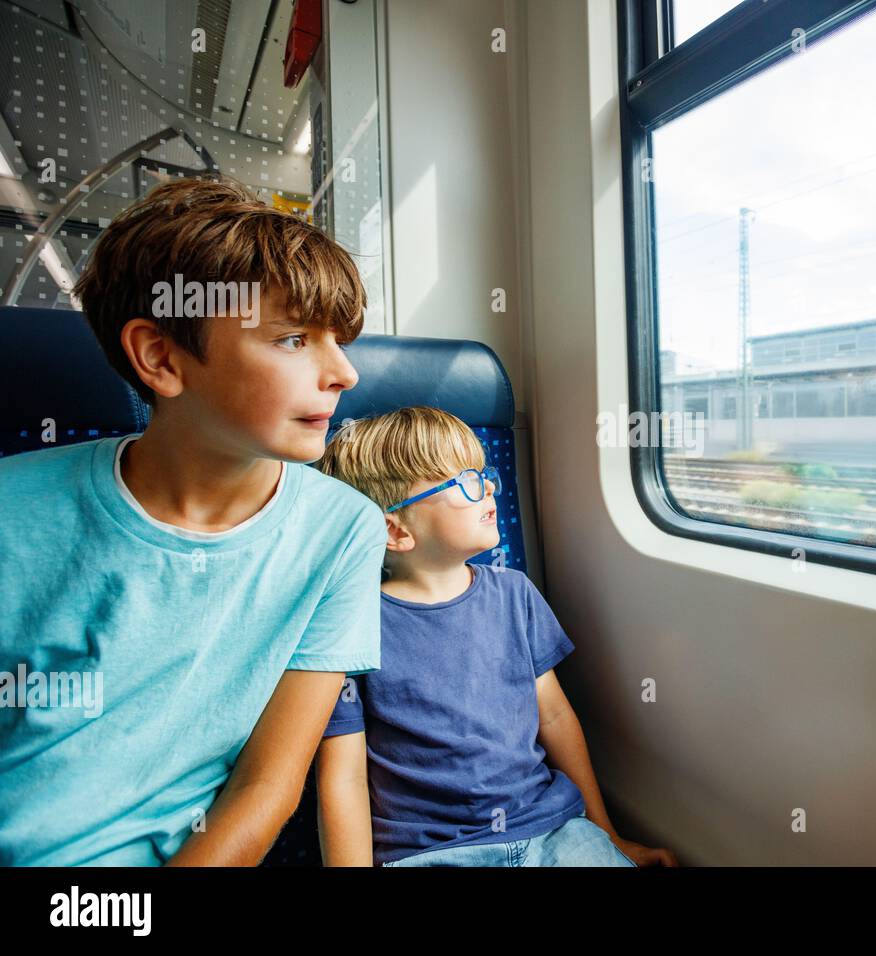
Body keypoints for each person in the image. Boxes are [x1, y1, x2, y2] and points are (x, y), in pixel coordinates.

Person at [0, 177, 387, 865]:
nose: (344, 374)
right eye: (294, 339)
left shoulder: (344, 531)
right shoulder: (14, 507)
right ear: (161, 357)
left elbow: (267, 787)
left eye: (340, 339)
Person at [314, 406, 678, 867]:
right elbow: (342, 775)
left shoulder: (514, 595)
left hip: (551, 830)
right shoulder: (352, 625)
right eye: (464, 481)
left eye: (483, 473)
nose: (487, 486)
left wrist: (608, 835)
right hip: (430, 852)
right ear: (395, 530)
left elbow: (555, 717)